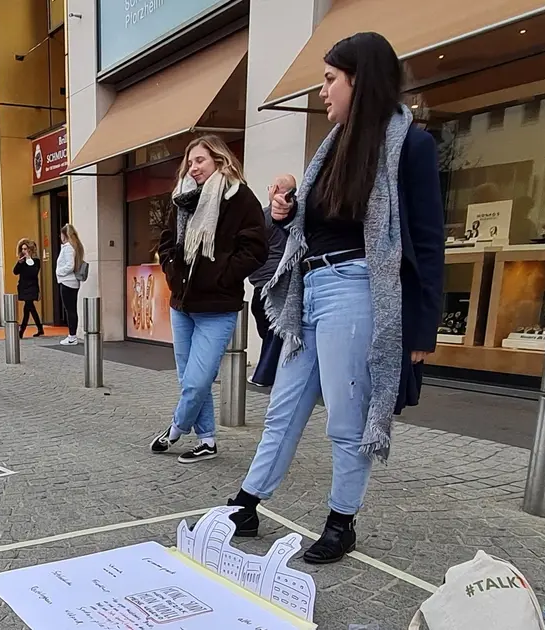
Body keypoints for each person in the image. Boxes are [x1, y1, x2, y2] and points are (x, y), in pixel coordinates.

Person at [225, 33, 444, 564]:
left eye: (329, 79)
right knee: (284, 406)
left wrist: (421, 330)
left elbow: (428, 238)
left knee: (345, 418)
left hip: (358, 289)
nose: (322, 90)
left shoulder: (409, 145)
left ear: (359, 79)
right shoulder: (333, 147)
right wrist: (288, 209)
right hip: (312, 288)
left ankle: (342, 521)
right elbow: (319, 225)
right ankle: (248, 503)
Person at [150, 135, 267, 464]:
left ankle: (176, 428)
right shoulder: (181, 198)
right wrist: (172, 272)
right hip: (183, 304)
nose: (193, 166)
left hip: (217, 307)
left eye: (200, 160)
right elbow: (167, 242)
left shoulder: (238, 197)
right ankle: (207, 440)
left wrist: (222, 275)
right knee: (189, 380)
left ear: (219, 159)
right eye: (190, 161)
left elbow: (256, 249)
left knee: (198, 380)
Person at [248, 175, 296, 388]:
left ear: (275, 188)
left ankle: (265, 374)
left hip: (265, 284)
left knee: (269, 328)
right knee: (276, 329)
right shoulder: (298, 217)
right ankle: (273, 371)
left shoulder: (263, 217)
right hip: (288, 282)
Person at [55, 225, 84, 346]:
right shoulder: (75, 247)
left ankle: (72, 336)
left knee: (69, 309)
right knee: (72, 309)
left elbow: (69, 265)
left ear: (64, 235)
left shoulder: (67, 248)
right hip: (73, 282)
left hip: (67, 281)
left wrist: (58, 272)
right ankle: (72, 335)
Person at [13, 238, 44, 338]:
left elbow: (33, 273)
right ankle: (39, 328)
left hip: (32, 287)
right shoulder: (21, 261)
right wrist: (19, 263)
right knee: (29, 308)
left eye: (25, 249)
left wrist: (28, 260)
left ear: (30, 250)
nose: (24, 251)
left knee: (28, 307)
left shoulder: (36, 261)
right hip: (23, 287)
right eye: (22, 249)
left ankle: (22, 331)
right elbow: (15, 272)